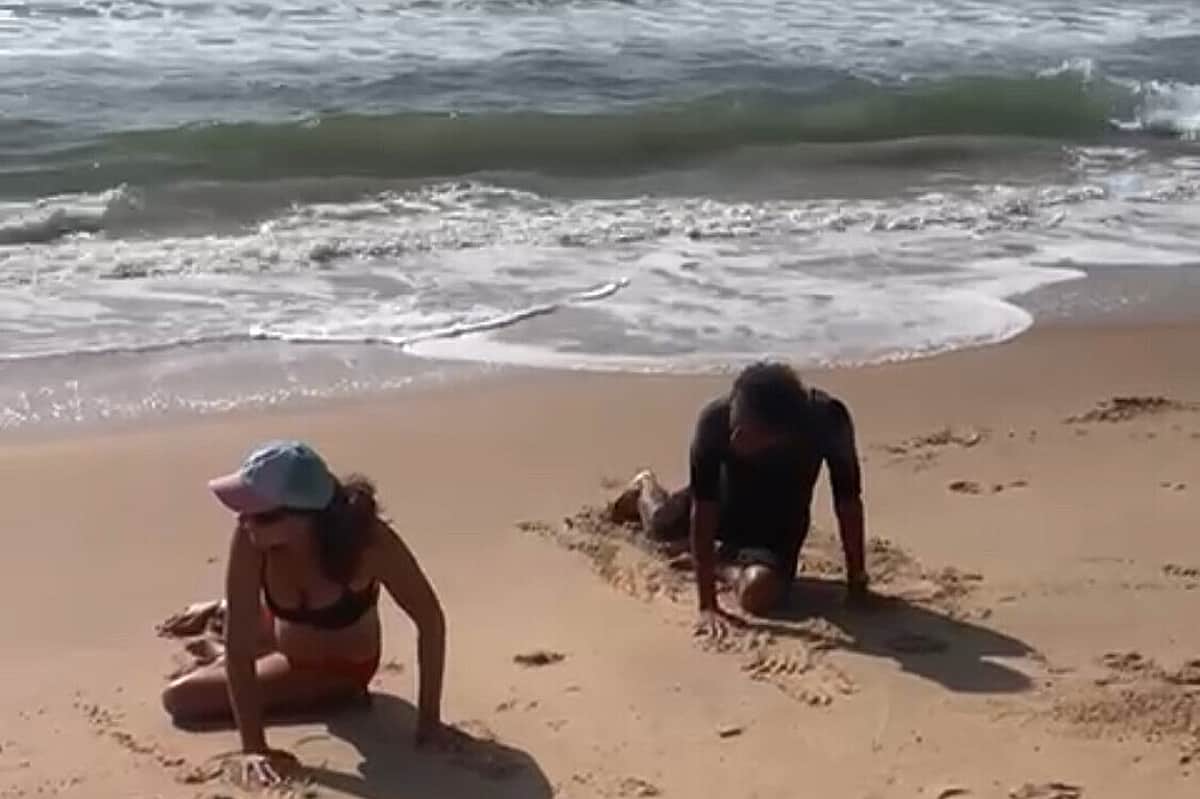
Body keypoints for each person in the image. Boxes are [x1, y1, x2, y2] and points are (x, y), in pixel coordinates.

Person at [159, 440, 447, 786]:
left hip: (331, 668)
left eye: (261, 514)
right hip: (278, 627)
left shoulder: (368, 544)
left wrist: (430, 722)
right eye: (243, 509)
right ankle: (219, 611)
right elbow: (240, 649)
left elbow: (430, 620)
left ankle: (224, 627)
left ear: (306, 516)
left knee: (180, 698)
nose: (246, 521)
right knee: (230, 642)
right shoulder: (252, 538)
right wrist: (255, 747)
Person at [612, 361, 869, 636]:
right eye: (737, 423)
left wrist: (857, 582)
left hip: (778, 527)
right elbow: (703, 507)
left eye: (749, 432)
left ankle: (720, 561)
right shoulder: (714, 421)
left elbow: (848, 501)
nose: (736, 436)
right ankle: (644, 486)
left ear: (781, 432)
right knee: (659, 529)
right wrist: (707, 604)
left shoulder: (826, 421)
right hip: (721, 503)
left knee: (759, 593)